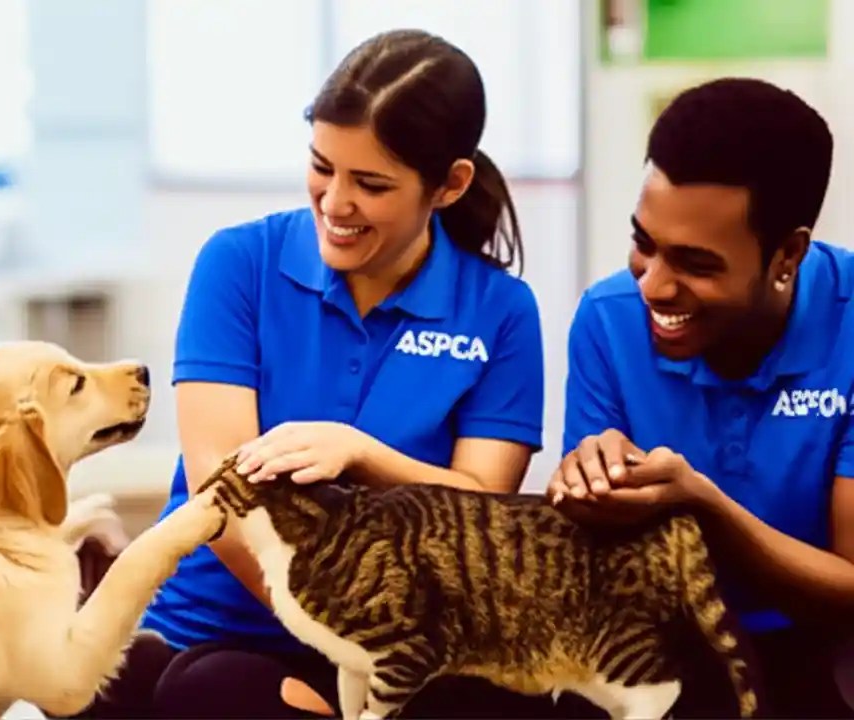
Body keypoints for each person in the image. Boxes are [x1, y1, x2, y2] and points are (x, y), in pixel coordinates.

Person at [78, 29, 548, 719]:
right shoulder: (240, 263)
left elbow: (480, 511)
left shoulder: (501, 312)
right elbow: (220, 490)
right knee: (184, 686)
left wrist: (361, 453)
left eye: (371, 184)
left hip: (400, 646)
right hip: (210, 627)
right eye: (323, 166)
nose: (334, 202)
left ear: (449, 185)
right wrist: (330, 626)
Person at [549, 77, 854, 717]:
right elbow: (597, 566)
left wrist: (706, 507)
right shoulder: (607, 320)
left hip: (828, 647)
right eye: (643, 243)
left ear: (787, 254)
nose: (654, 286)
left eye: (696, 263)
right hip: (663, 642)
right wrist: (584, 488)